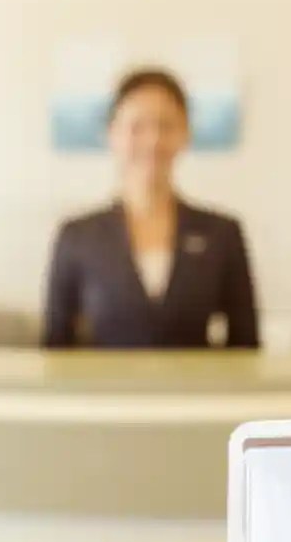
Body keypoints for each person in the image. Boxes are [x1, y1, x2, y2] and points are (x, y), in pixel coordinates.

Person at [43, 68, 260, 349]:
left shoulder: (222, 233)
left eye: (165, 126)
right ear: (112, 133)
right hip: (106, 379)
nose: (153, 140)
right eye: (137, 127)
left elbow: (246, 344)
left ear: (186, 133)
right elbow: (55, 346)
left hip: (196, 379)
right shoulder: (76, 236)